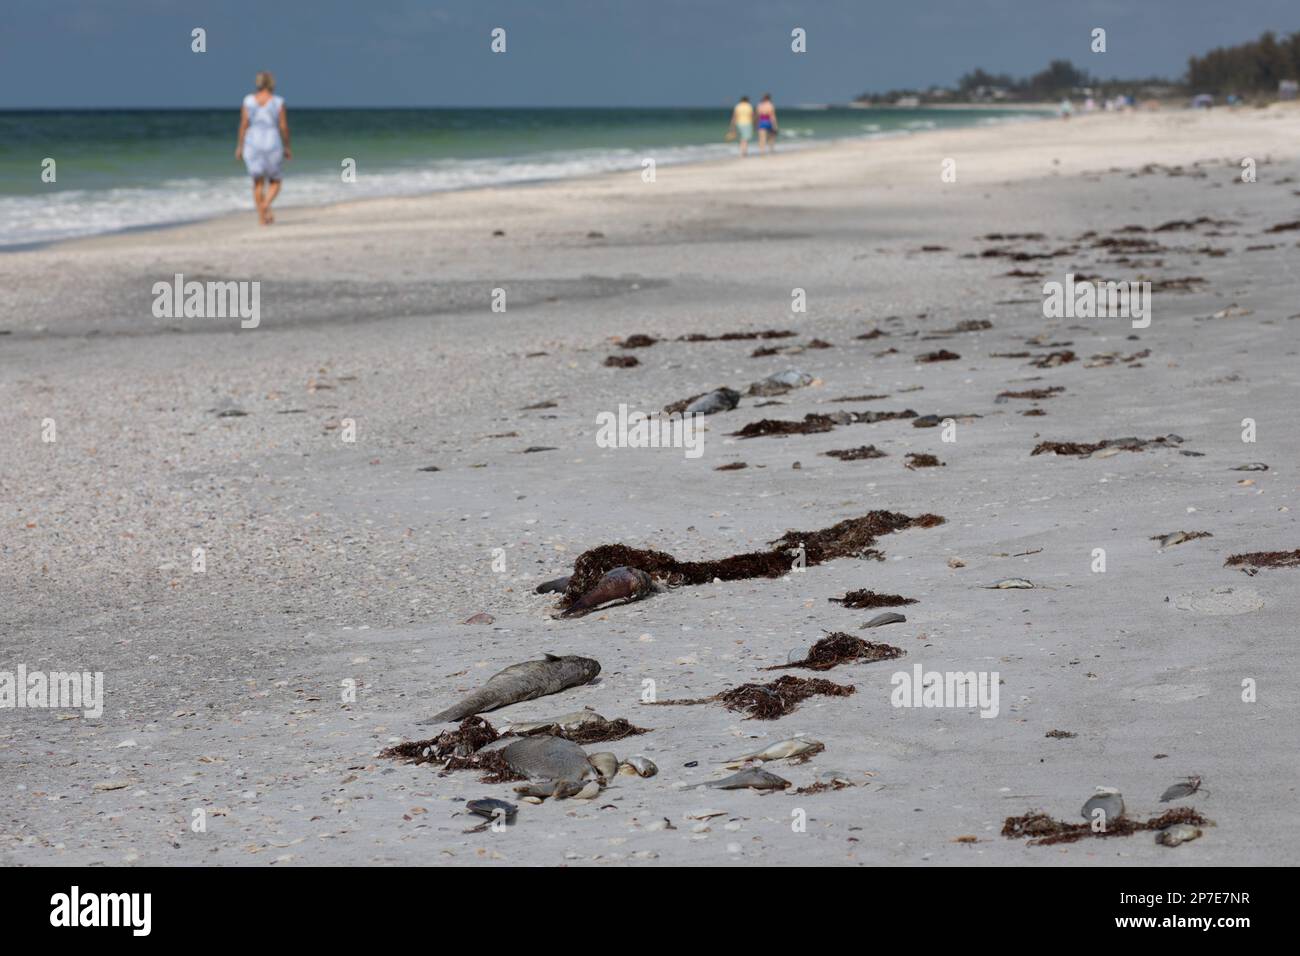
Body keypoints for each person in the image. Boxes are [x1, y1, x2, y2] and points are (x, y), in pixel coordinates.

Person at [235, 71, 291, 225]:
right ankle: (266, 205)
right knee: (276, 180)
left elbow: (244, 124)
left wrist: (239, 146)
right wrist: (287, 146)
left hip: (252, 141)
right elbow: (283, 126)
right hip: (272, 140)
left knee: (257, 182)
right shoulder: (278, 101)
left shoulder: (248, 101)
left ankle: (262, 216)